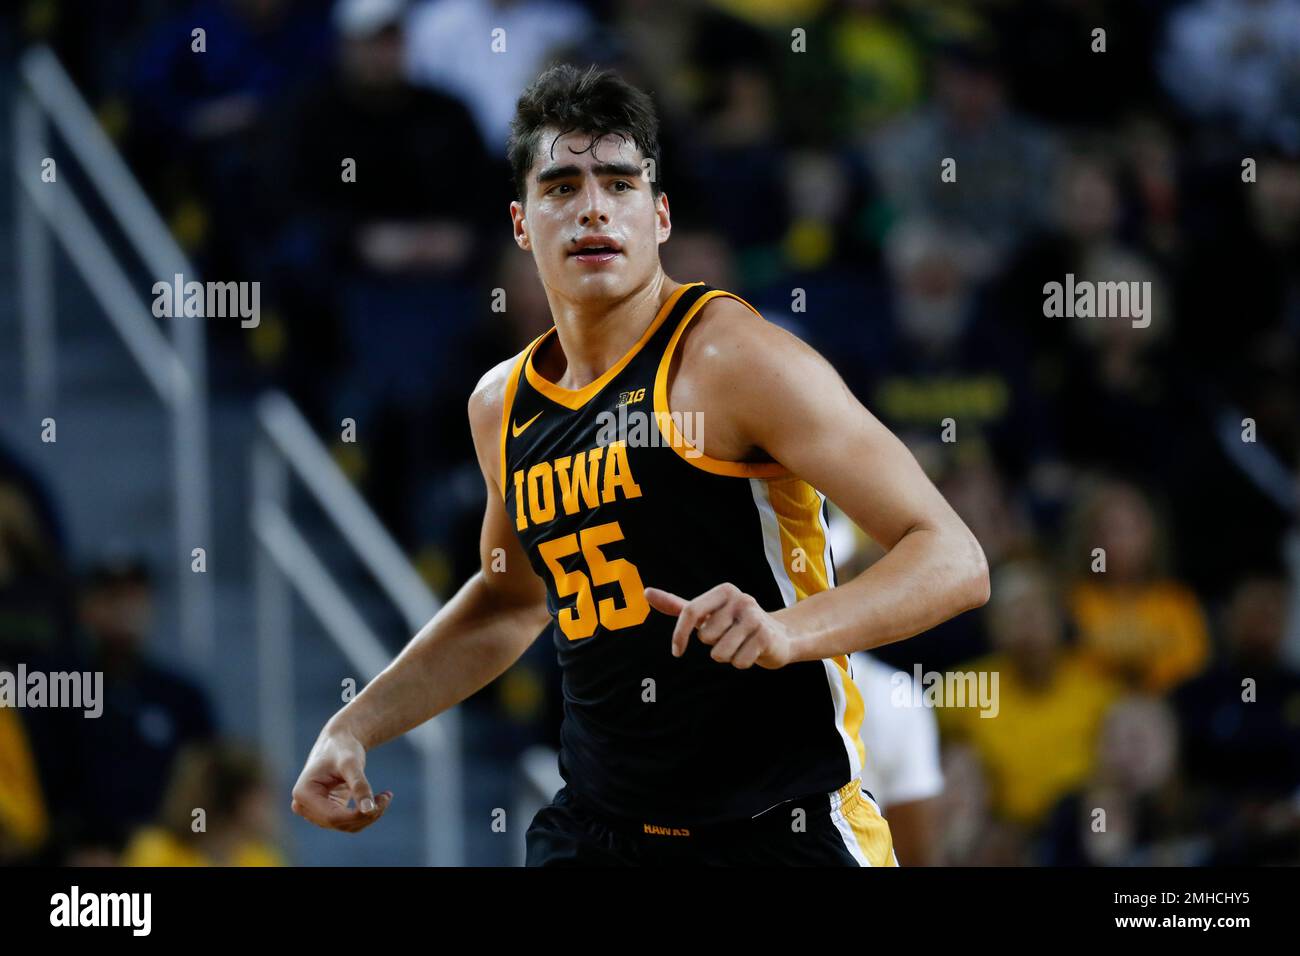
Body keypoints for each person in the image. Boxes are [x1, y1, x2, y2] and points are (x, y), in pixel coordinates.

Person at [291, 64, 989, 866]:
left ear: (657, 216)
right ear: (521, 224)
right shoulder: (502, 404)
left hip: (776, 828)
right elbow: (510, 599)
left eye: (618, 183)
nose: (592, 206)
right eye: (561, 186)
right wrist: (354, 725)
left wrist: (786, 630)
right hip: (599, 833)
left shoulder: (733, 358)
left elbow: (953, 558)